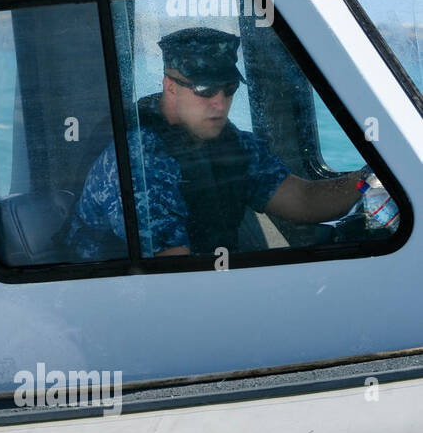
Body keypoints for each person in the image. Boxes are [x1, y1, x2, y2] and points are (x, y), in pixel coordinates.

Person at [69, 27, 372, 260]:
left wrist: (368, 183)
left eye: (228, 89)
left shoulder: (233, 144)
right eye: (205, 89)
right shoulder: (141, 160)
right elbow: (173, 270)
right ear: (170, 87)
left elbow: (304, 200)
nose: (219, 103)